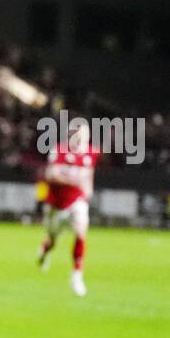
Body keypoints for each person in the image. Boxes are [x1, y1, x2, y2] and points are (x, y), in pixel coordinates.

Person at [37, 119, 98, 296]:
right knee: (53, 238)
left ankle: (77, 275)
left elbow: (89, 173)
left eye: (85, 134)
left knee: (81, 231)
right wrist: (74, 181)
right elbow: (50, 174)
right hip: (56, 203)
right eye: (78, 133)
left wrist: (88, 190)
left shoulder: (91, 153)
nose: (82, 137)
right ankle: (45, 250)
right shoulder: (60, 150)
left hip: (77, 200)